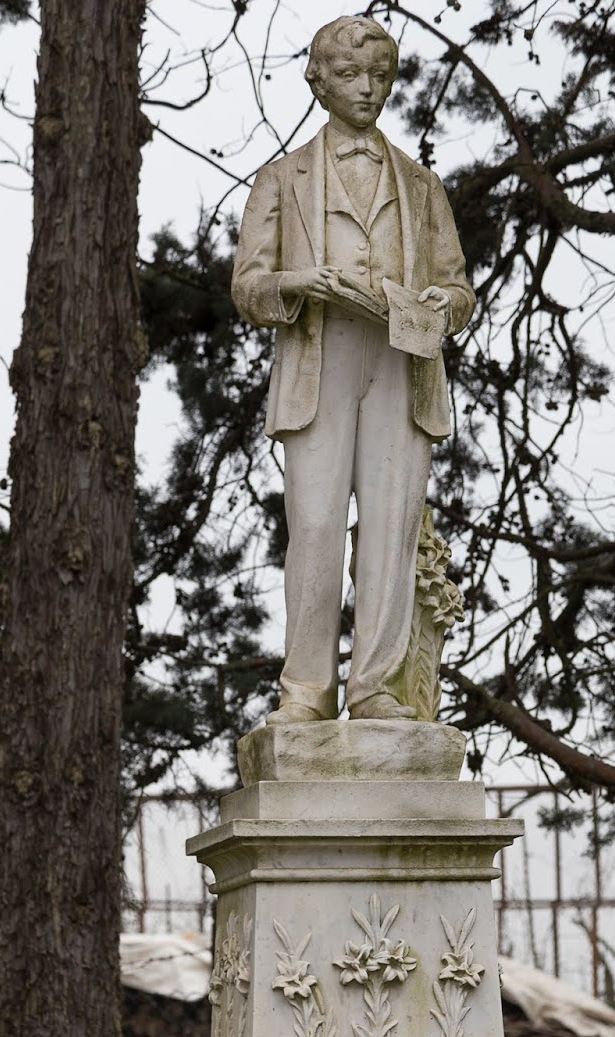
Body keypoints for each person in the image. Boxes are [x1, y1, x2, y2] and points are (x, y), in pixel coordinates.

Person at [232, 15, 475, 724]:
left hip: (401, 361)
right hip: (320, 355)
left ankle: (377, 687)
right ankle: (306, 690)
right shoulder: (282, 179)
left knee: (393, 527)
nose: (367, 89)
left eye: (379, 77)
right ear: (318, 82)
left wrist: (444, 304)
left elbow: (460, 289)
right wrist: (298, 282)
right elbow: (248, 286)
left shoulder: (422, 184)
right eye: (349, 75)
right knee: (313, 526)